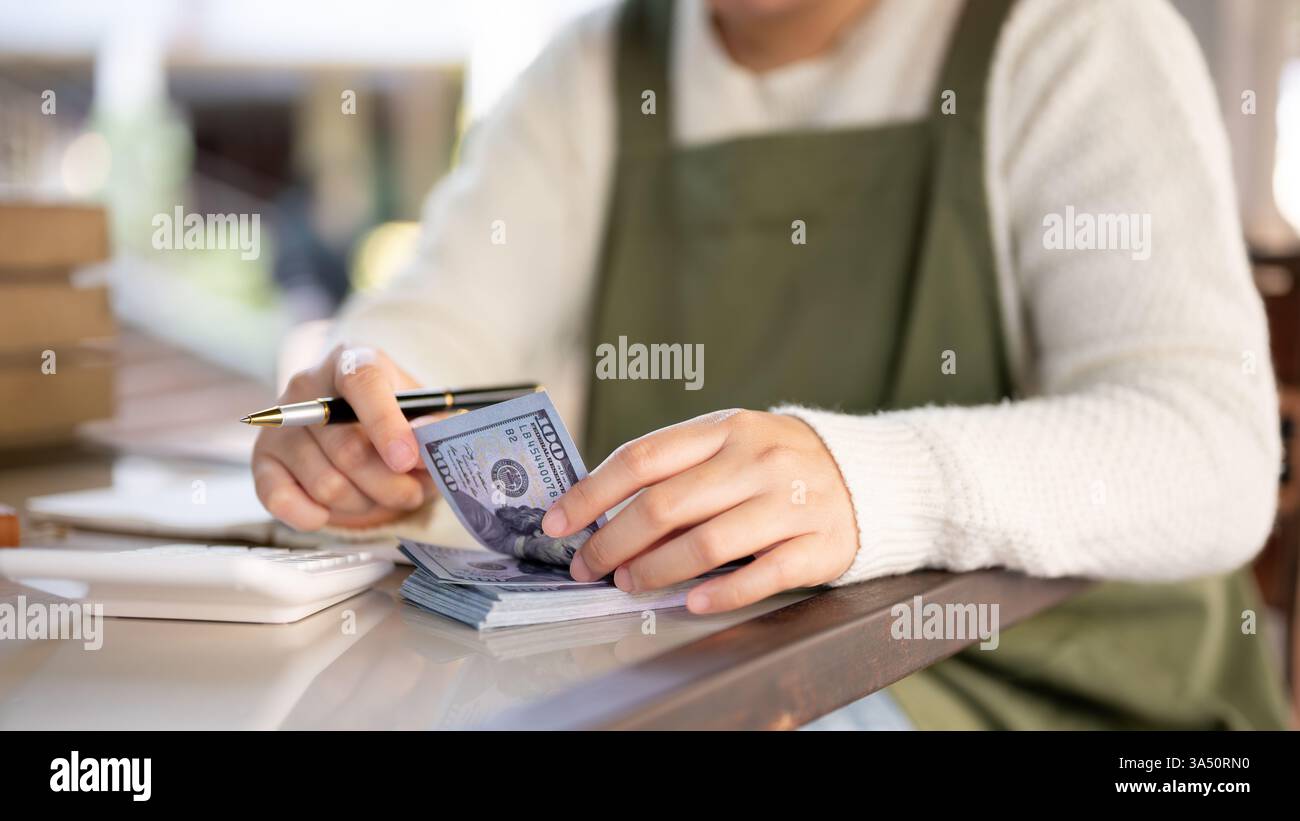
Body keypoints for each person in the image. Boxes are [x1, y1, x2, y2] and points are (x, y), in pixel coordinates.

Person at [251, 0, 1290, 729]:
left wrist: (862, 481)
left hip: (1068, 694)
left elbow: (1212, 448)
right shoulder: (597, 68)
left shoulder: (1076, 35)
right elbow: (440, 329)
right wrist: (370, 430)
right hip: (710, 675)